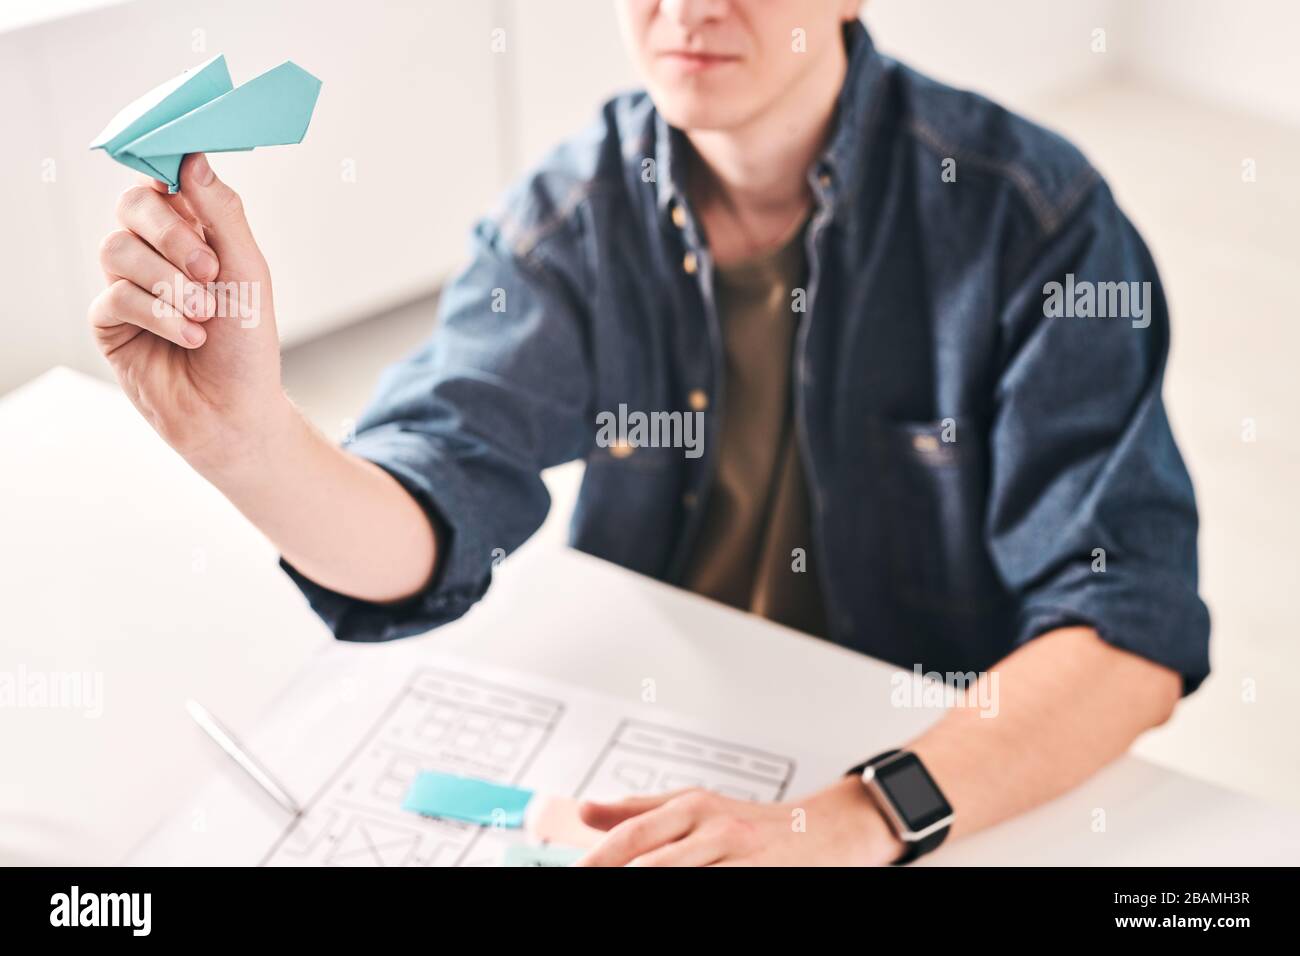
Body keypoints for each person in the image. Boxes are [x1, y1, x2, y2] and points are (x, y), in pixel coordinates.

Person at [88, 0, 1209, 865]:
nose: (685, 4)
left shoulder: (1031, 215)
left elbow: (1127, 639)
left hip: (939, 769)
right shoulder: (572, 211)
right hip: (654, 740)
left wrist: (856, 815)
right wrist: (250, 442)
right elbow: (423, 515)